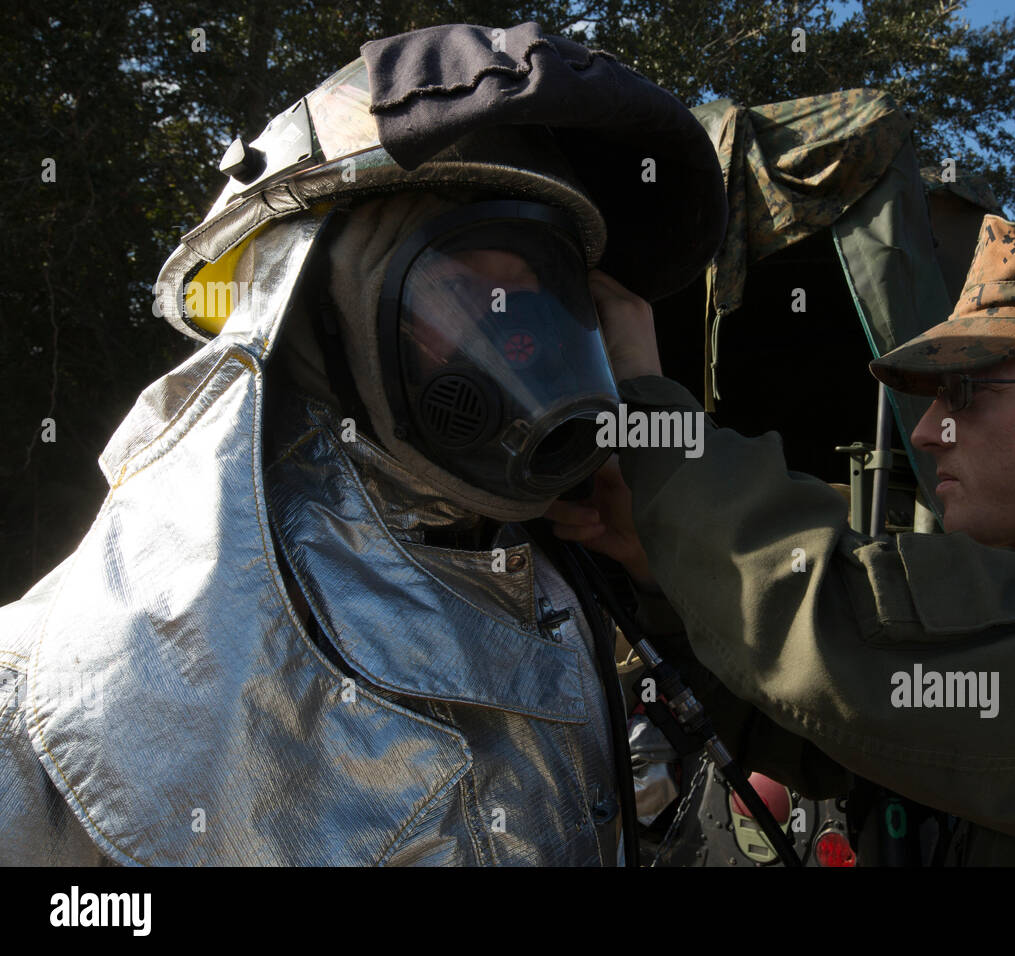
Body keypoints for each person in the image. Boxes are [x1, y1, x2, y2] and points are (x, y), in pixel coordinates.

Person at [0, 22, 725, 866]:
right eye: (478, 292)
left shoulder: (562, 595)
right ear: (315, 315)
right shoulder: (56, 699)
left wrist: (669, 536)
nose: (522, 343)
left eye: (548, 297)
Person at [550, 209, 1015, 865]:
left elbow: (841, 639)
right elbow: (820, 736)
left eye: (966, 391)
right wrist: (658, 570)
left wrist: (647, 401)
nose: (931, 430)